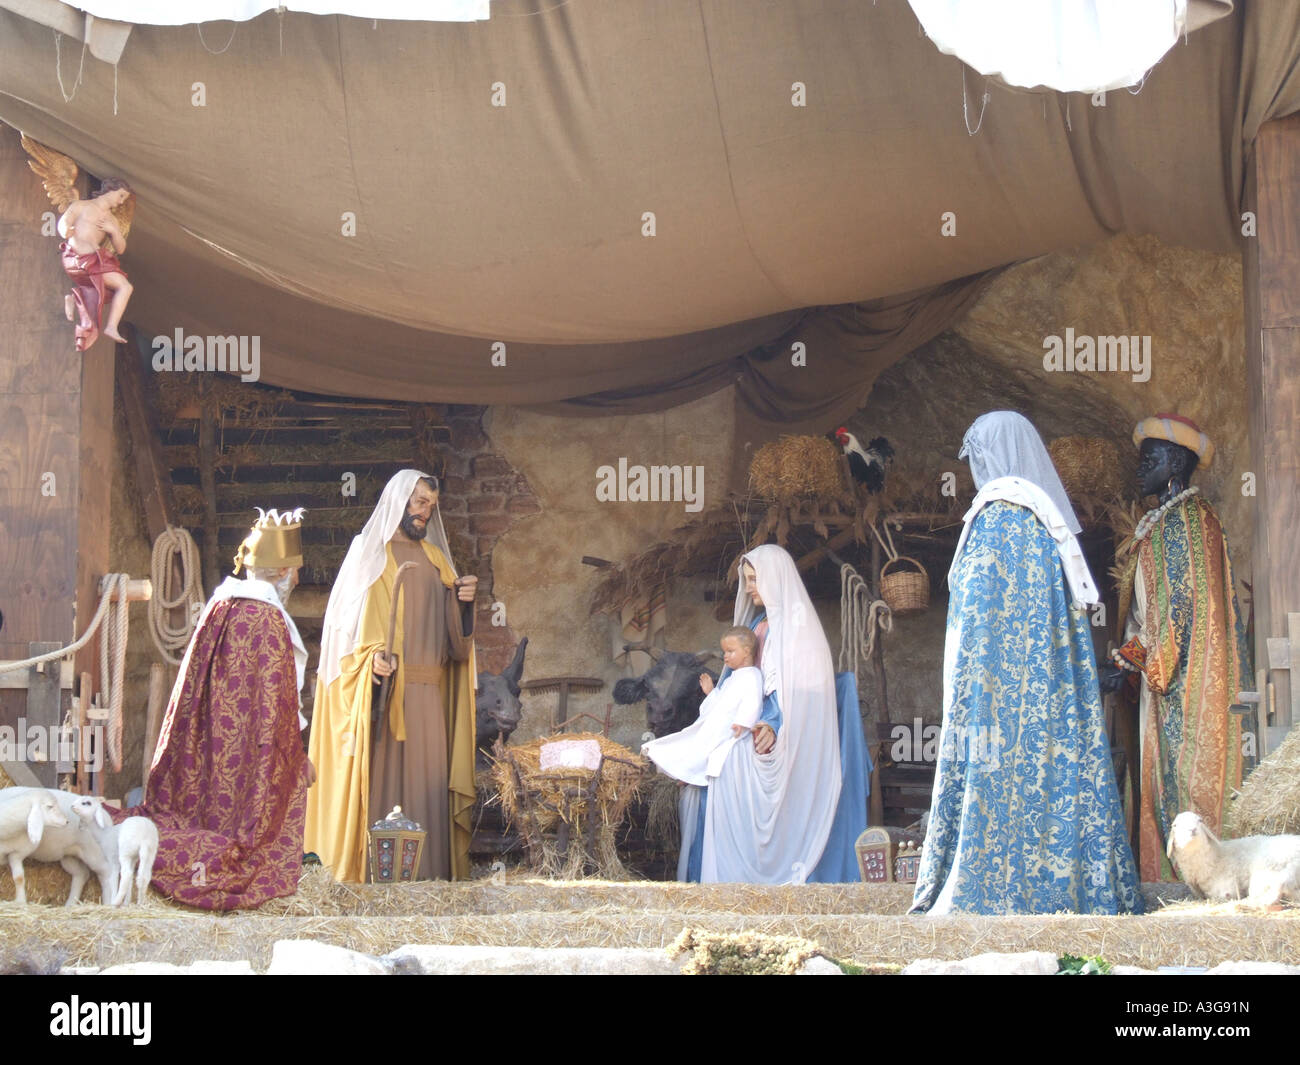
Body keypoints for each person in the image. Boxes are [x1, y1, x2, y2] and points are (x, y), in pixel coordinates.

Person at [910, 412, 1141, 915]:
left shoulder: (995, 520)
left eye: (976, 458)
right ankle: (1065, 888)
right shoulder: (1044, 525)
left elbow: (975, 619)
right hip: (1050, 699)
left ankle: (989, 887)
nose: (973, 470)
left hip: (992, 703)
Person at [132, 508, 313, 910]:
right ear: (282, 572)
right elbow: (275, 703)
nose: (298, 579)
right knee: (246, 823)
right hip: (251, 748)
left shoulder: (220, 607)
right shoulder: (267, 620)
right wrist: (297, 755)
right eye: (295, 570)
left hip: (205, 742)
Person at [305, 470, 478, 882]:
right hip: (384, 700)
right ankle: (373, 881)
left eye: (430, 506)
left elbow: (457, 649)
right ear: (399, 500)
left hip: (428, 702)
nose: (424, 513)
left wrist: (465, 605)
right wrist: (368, 666)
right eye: (419, 502)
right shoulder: (368, 554)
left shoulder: (438, 562)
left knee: (426, 792)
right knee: (381, 791)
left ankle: (429, 883)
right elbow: (341, 639)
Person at [1105, 414, 1248, 881]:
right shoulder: (1169, 521)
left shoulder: (1186, 521)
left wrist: (1131, 660)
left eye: (1149, 459)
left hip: (1185, 686)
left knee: (1182, 780)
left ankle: (1189, 882)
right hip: (1166, 681)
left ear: (1175, 463)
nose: (1139, 468)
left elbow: (1180, 613)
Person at [682, 544, 843, 884]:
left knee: (722, 769)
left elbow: (804, 693)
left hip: (782, 732)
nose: (750, 587)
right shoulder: (757, 625)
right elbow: (744, 683)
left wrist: (774, 722)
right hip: (749, 722)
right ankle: (713, 875)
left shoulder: (799, 629)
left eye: (755, 579)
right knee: (706, 768)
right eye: (747, 580)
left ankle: (740, 874)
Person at [643, 627, 763, 787]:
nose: (725, 656)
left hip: (730, 728)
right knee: (692, 737)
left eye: (730, 651)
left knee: (704, 746)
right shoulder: (730, 680)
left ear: (747, 651)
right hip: (717, 724)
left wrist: (744, 721)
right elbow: (718, 704)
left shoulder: (752, 676)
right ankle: (681, 770)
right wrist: (711, 692)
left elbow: (752, 701)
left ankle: (688, 774)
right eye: (724, 652)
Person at [57, 178, 135, 350]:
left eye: (124, 199)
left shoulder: (111, 220)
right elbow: (64, 221)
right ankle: (111, 327)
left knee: (113, 291)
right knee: (124, 287)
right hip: (78, 258)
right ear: (110, 189)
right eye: (121, 195)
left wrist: (114, 231)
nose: (121, 201)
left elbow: (120, 248)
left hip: (92, 264)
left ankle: (74, 299)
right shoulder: (82, 206)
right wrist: (66, 230)